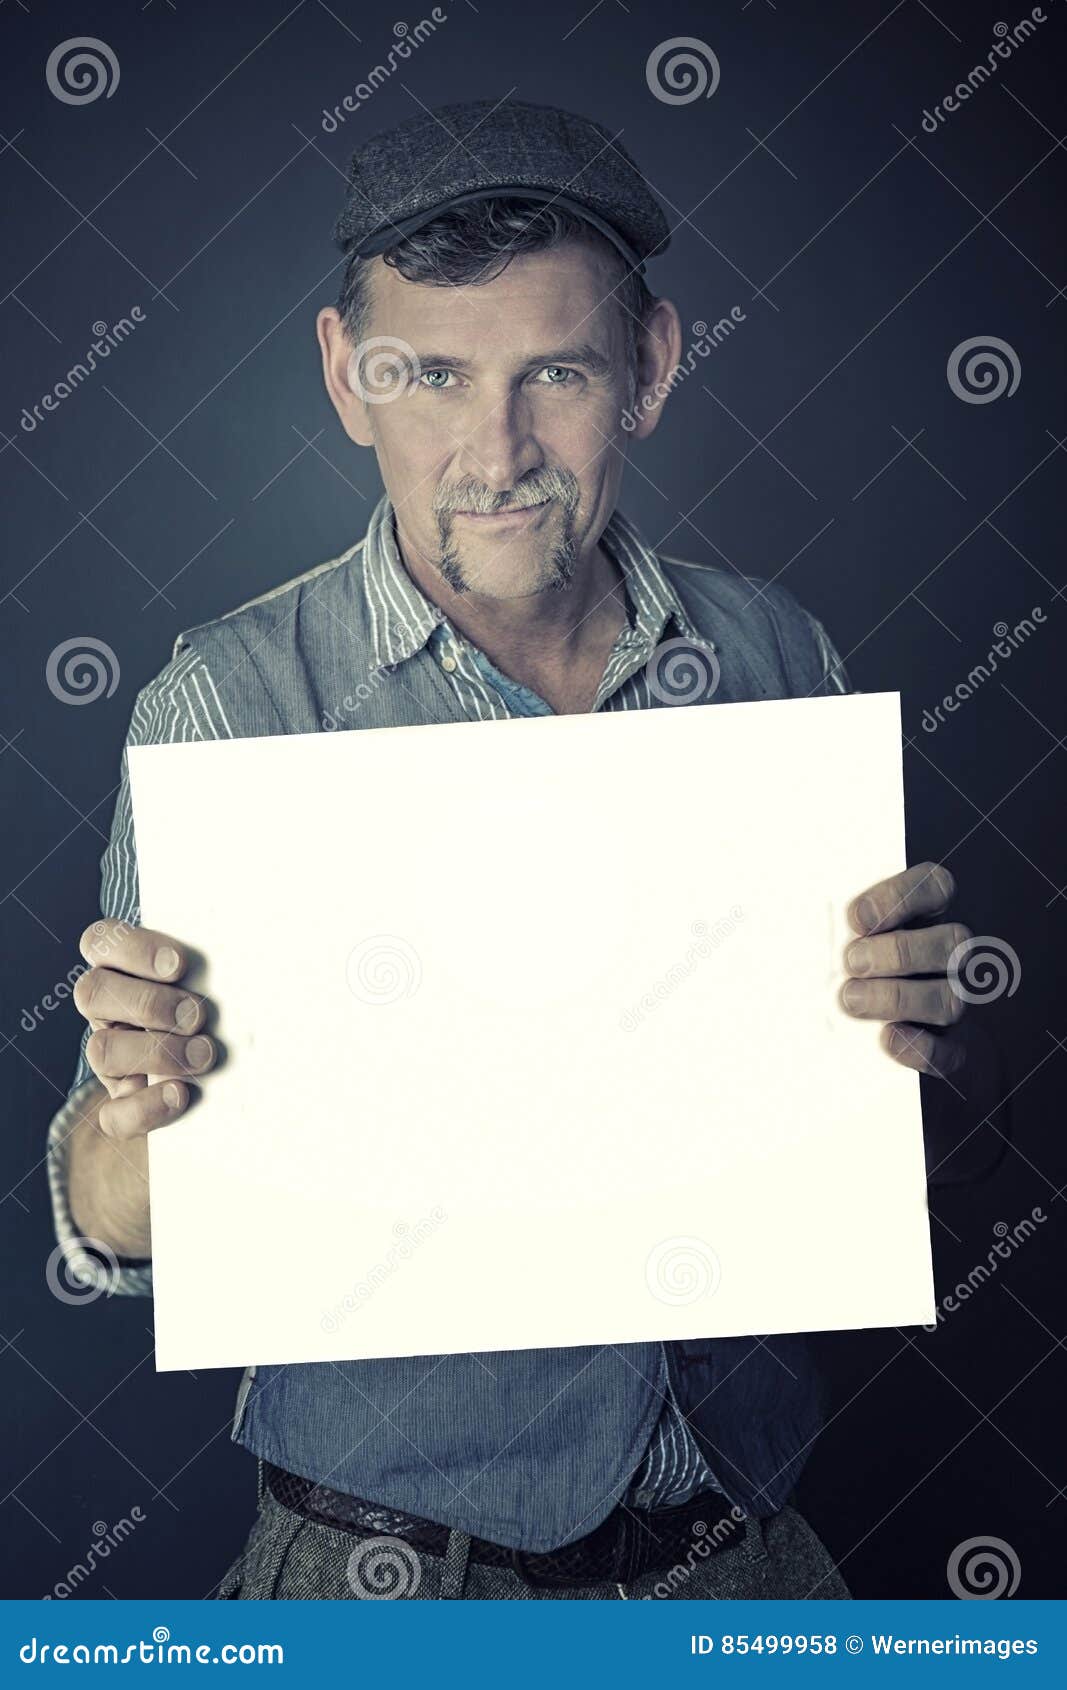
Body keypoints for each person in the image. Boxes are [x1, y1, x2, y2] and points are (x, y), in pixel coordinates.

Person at [46, 99, 1003, 1602]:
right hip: (389, 1581)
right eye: (428, 375)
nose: (493, 452)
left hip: (742, 1569)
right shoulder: (227, 703)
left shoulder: (776, 658)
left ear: (651, 370)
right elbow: (115, 1223)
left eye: (552, 371)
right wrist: (133, 1122)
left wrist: (917, 1043)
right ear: (344, 379)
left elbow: (874, 1144)